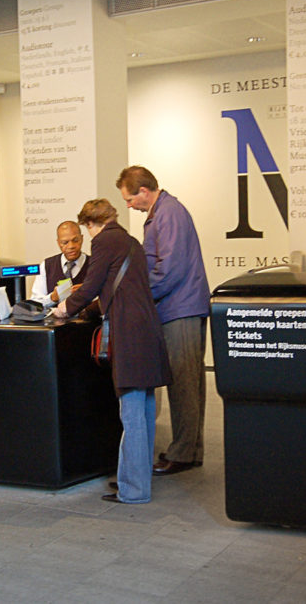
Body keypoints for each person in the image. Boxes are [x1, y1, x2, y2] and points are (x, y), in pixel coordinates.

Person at [52, 199, 171, 503]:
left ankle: (133, 491)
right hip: (147, 331)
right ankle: (138, 480)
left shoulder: (105, 241)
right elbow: (118, 288)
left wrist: (64, 308)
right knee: (143, 409)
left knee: (130, 413)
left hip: (128, 335)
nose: (88, 237)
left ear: (91, 224)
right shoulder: (130, 241)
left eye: (86, 230)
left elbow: (91, 286)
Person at [116, 166, 210, 475]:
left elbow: (169, 270)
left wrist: (141, 295)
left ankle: (182, 453)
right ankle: (190, 449)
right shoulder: (165, 212)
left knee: (183, 382)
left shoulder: (168, 213)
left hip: (179, 308)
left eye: (129, 199)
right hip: (181, 306)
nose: (128, 206)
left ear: (144, 191)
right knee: (190, 382)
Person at [29, 220, 89, 306]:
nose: (71, 246)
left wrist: (88, 293)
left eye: (75, 240)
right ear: (58, 243)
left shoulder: (94, 264)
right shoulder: (47, 265)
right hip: (54, 318)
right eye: (65, 243)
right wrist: (52, 298)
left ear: (82, 238)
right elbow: (35, 303)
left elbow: (104, 300)